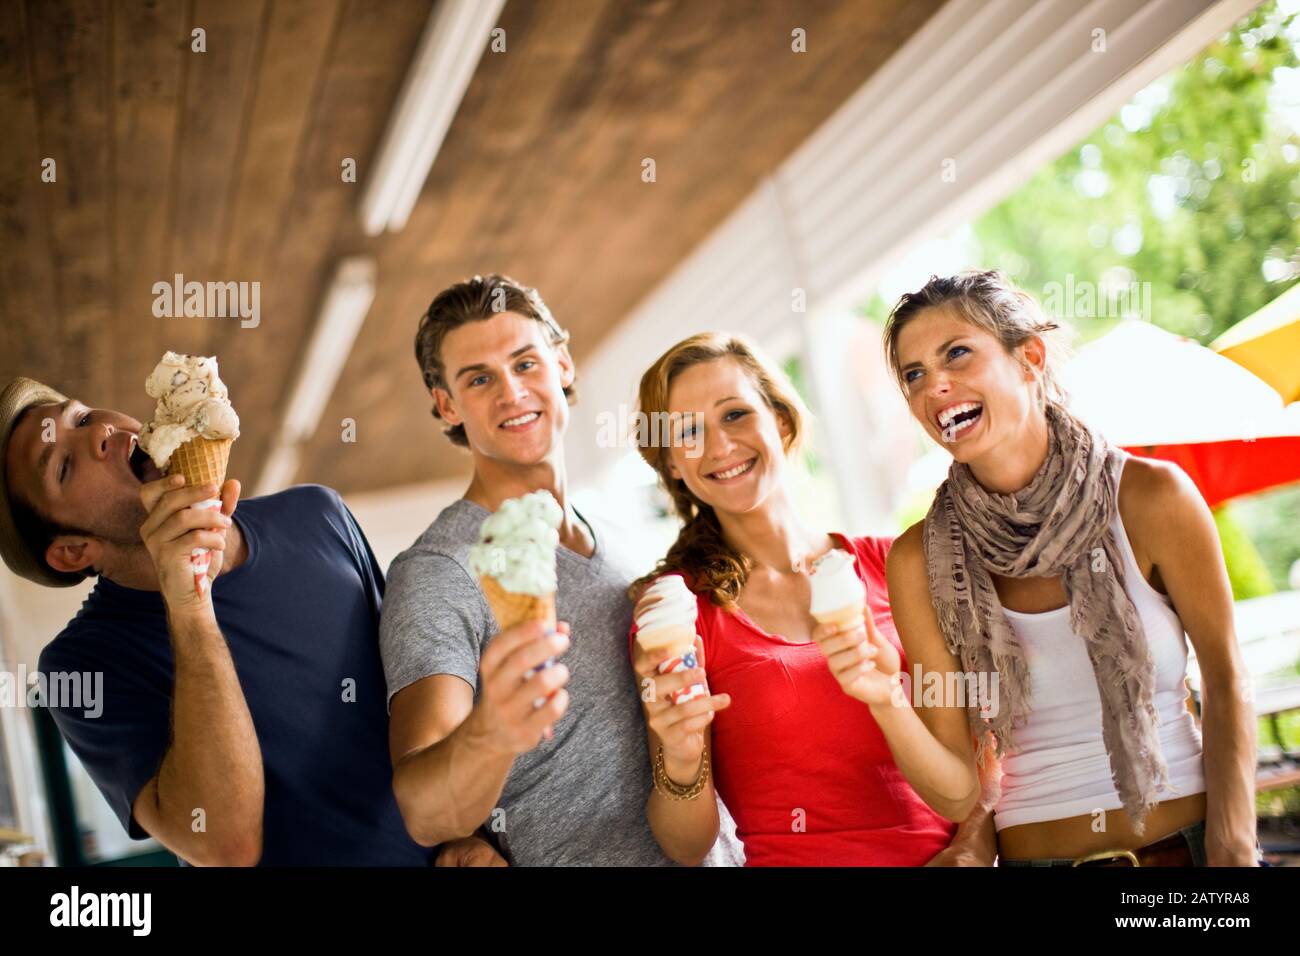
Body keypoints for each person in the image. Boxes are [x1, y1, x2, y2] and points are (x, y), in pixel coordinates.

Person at [878, 270, 1259, 866]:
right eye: (914, 375)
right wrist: (883, 698)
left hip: (1183, 856)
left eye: (957, 354)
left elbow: (1226, 677)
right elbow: (957, 788)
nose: (936, 386)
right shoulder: (916, 559)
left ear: (1029, 358)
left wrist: (1233, 843)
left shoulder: (1152, 499)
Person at [0, 375, 454, 865]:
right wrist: (191, 605)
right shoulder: (81, 663)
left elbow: (424, 705)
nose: (98, 433)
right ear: (72, 551)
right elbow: (225, 844)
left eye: (83, 417)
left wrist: (467, 835)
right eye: (64, 466)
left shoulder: (317, 511)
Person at [379, 274, 741, 866]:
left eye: (525, 363)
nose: (511, 392)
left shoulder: (621, 542)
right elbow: (423, 810)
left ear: (563, 366)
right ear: (447, 405)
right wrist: (493, 731)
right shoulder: (440, 570)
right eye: (478, 378)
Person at [626, 331, 997, 866]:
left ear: (779, 420)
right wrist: (681, 764)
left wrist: (971, 845)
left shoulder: (897, 563)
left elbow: (988, 752)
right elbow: (688, 846)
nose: (720, 446)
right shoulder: (678, 614)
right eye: (688, 432)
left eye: (735, 414)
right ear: (673, 467)